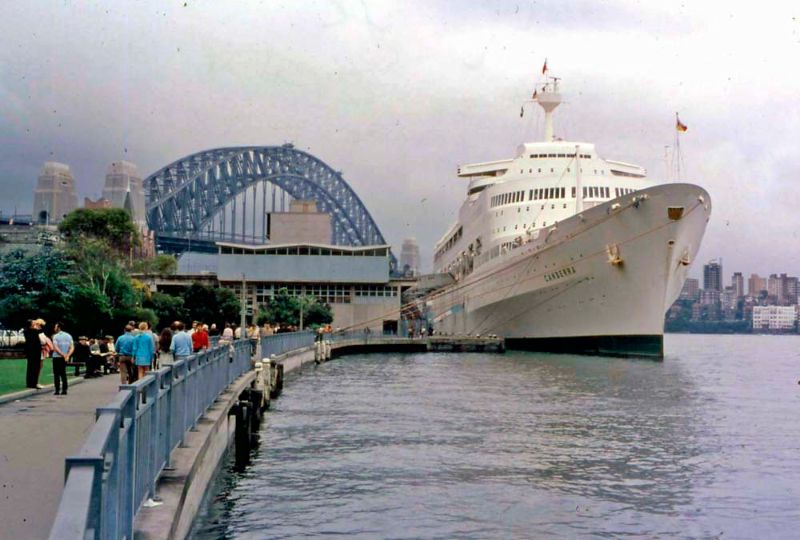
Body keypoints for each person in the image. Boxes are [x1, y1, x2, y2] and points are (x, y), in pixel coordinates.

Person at [51, 322, 74, 396]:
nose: (54, 328)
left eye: (55, 327)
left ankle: (57, 390)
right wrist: (67, 355)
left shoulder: (55, 336)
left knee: (56, 374)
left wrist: (62, 354)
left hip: (57, 357)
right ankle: (64, 390)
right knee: (63, 373)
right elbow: (72, 347)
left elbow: (55, 347)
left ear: (59, 328)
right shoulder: (69, 336)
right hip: (65, 357)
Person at [23, 319, 44, 389]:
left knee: (30, 367)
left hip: (30, 351)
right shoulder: (34, 331)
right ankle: (34, 383)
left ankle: (30, 383)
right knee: (35, 367)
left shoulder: (26, 331)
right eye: (33, 323)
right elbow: (41, 337)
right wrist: (38, 327)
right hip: (35, 351)